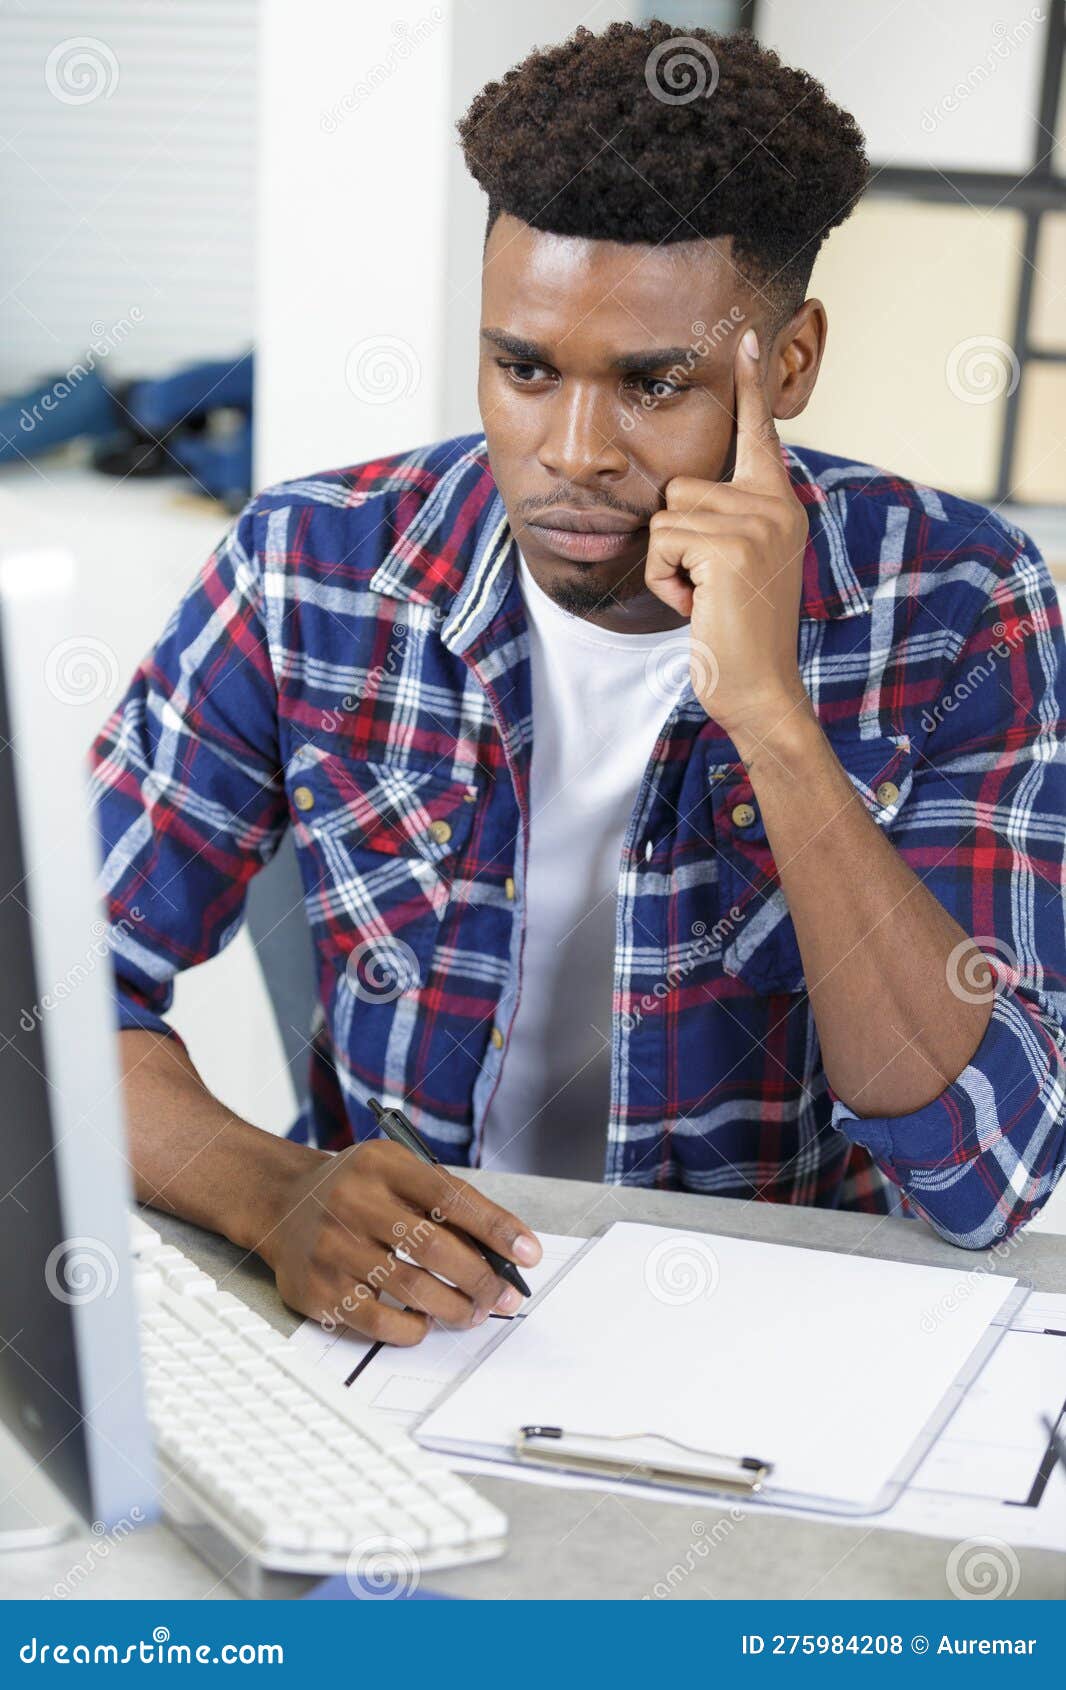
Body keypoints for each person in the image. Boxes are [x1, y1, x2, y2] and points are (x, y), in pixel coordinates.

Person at [92, 22, 1066, 1346]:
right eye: (525, 369)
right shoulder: (309, 566)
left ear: (787, 364)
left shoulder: (959, 603)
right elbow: (45, 997)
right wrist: (273, 1191)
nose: (574, 452)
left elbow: (983, 1174)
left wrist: (772, 721)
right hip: (403, 1328)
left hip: (772, 1337)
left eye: (653, 384)